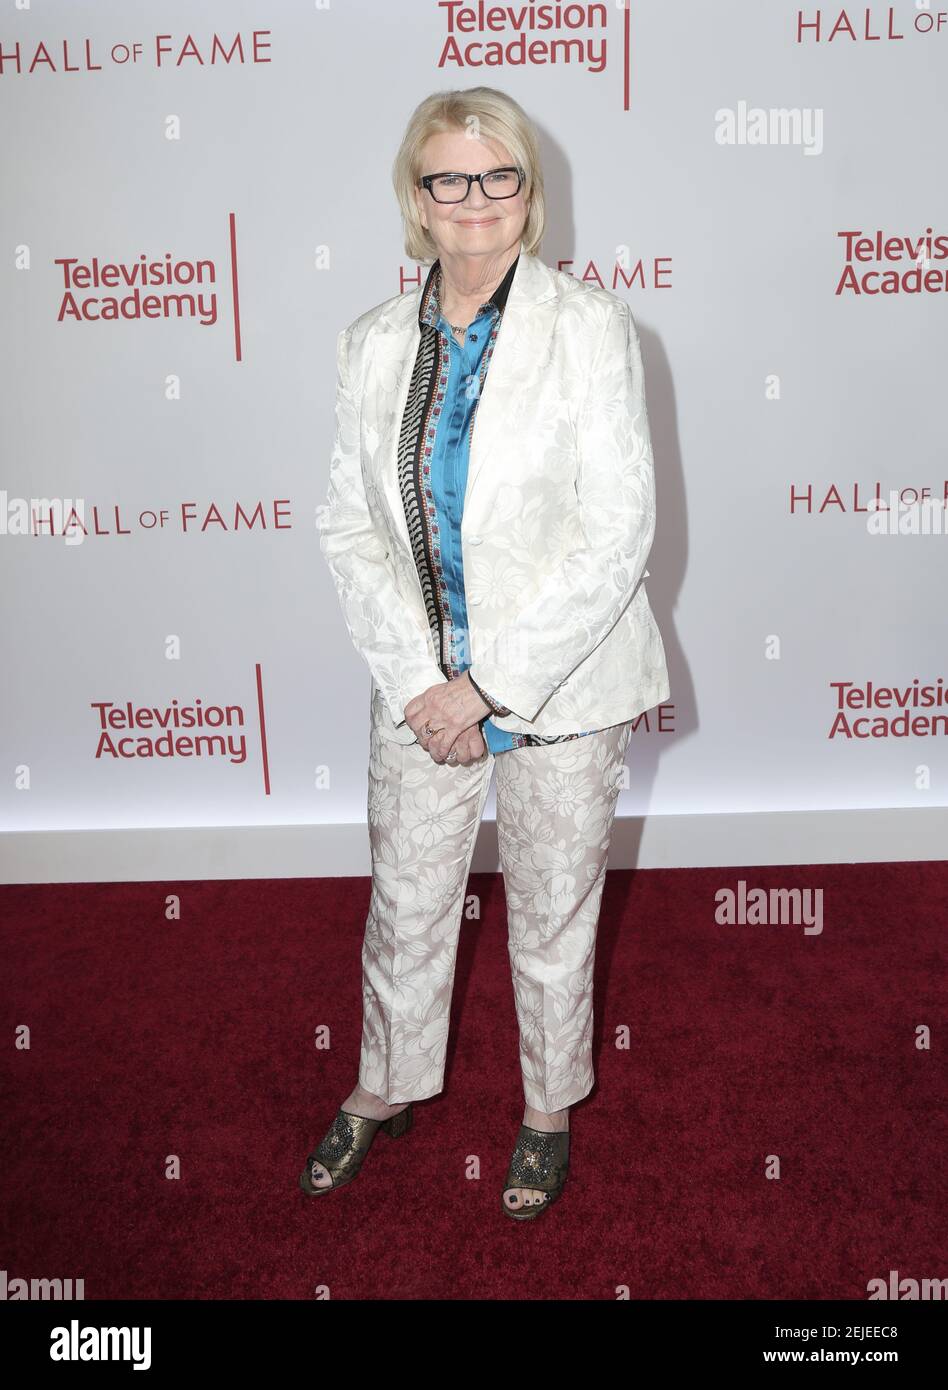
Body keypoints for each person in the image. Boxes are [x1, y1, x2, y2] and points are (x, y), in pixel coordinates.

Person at [301, 86, 669, 1221]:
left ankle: (547, 1110)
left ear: (529, 194)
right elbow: (348, 525)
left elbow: (618, 534)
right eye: (447, 179)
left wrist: (487, 686)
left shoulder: (592, 327)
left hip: (558, 684)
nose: (473, 201)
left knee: (554, 908)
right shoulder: (369, 343)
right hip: (418, 689)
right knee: (406, 899)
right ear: (417, 197)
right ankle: (386, 1082)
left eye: (497, 177)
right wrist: (424, 683)